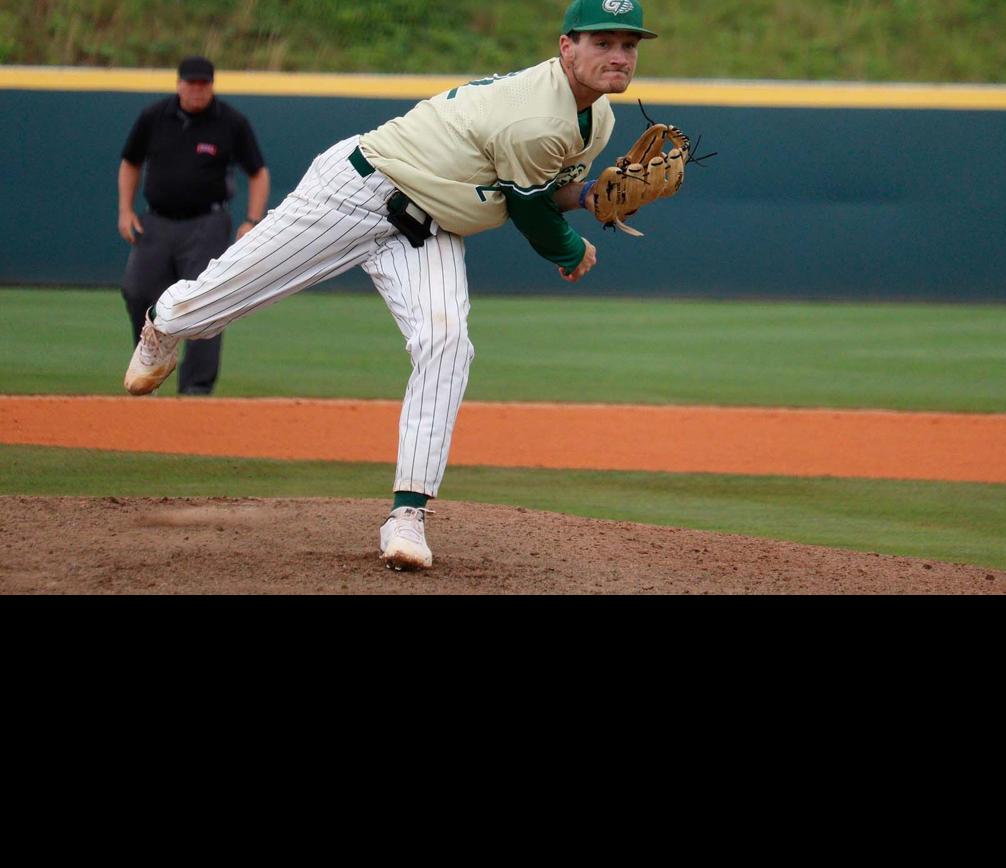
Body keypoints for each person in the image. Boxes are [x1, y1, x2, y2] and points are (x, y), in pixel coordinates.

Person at [123, 0, 657, 571]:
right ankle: (165, 322)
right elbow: (529, 209)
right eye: (602, 43)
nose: (618, 56)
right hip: (357, 191)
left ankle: (408, 516)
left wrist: (591, 198)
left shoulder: (596, 117)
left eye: (628, 45)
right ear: (566, 46)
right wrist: (571, 251)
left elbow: (544, 188)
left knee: (447, 343)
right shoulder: (534, 113)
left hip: (432, 228)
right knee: (218, 302)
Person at [117, 56, 270, 395]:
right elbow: (130, 162)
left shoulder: (230, 122)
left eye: (204, 84)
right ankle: (149, 368)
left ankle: (196, 389)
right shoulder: (154, 117)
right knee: (138, 291)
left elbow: (258, 171)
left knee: (206, 302)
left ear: (212, 86)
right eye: (192, 83)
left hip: (207, 223)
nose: (198, 90)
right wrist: (125, 210)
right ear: (179, 84)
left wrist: (252, 220)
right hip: (156, 220)